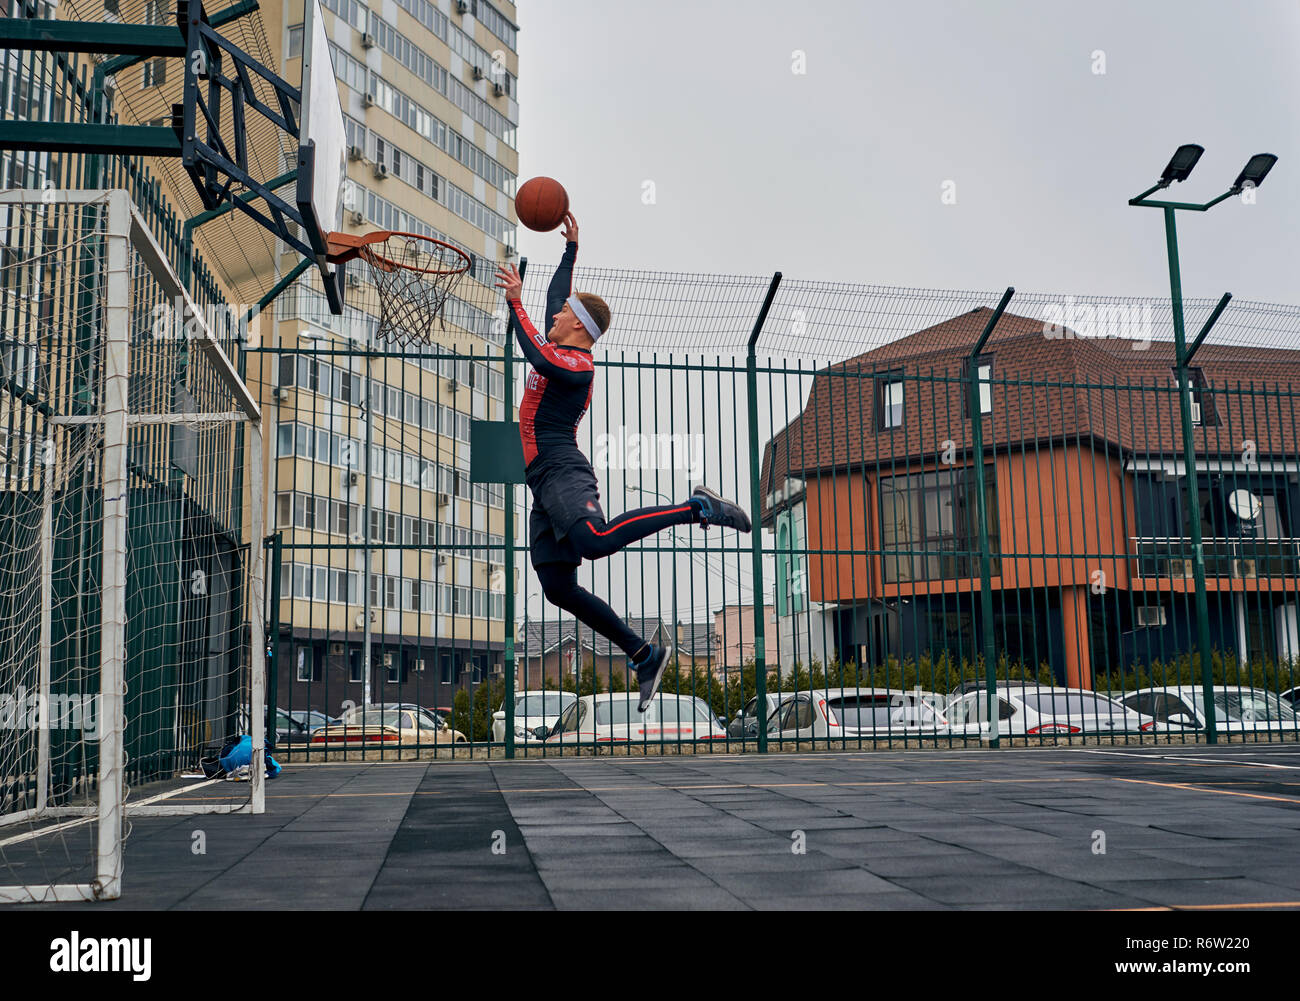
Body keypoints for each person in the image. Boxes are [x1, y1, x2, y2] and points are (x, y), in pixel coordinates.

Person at [494, 213, 750, 712]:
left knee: (595, 542)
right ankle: (643, 652)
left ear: (577, 325)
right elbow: (555, 298)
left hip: (562, 469)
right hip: (542, 482)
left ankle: (697, 508)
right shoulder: (559, 337)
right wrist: (570, 249)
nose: (552, 315)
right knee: (556, 587)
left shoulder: (576, 364)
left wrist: (516, 305)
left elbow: (543, 358)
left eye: (560, 313)